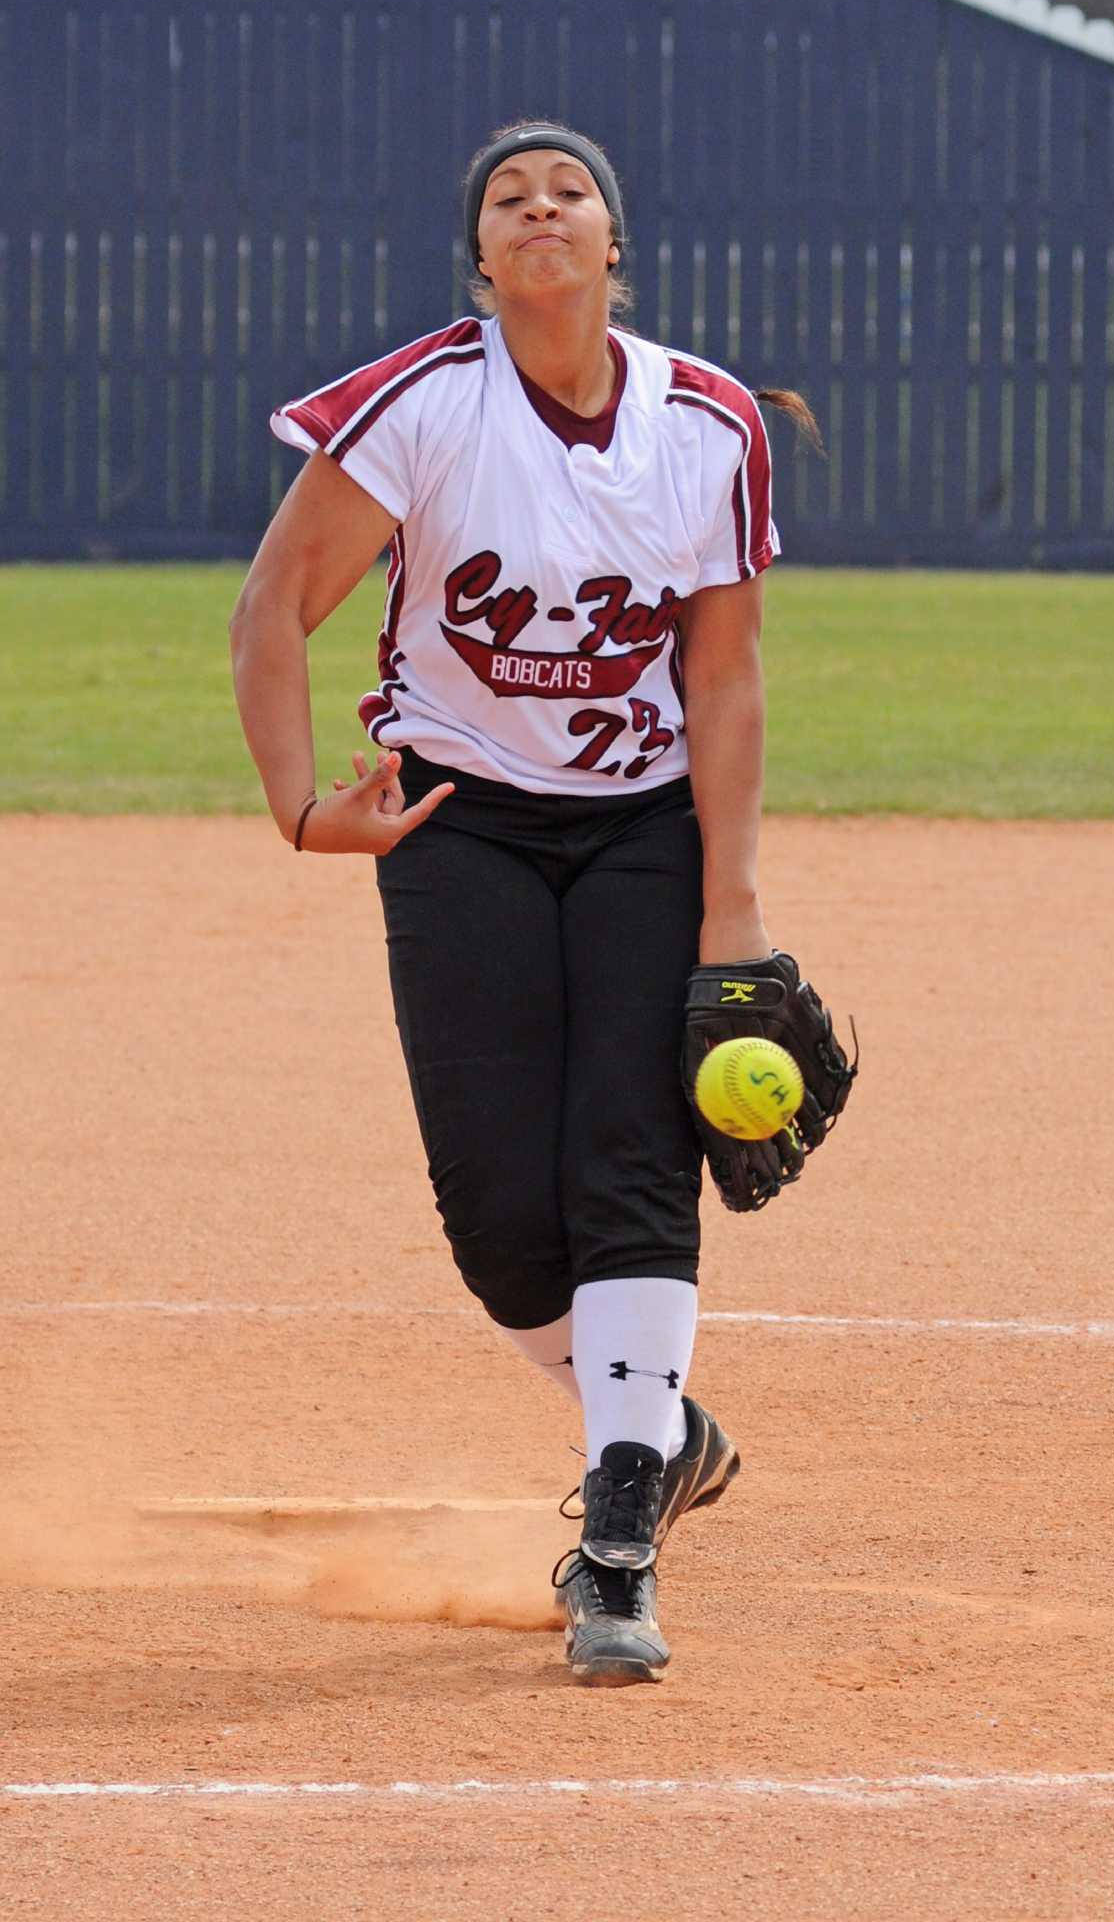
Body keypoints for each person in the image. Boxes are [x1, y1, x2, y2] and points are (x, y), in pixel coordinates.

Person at [230, 120, 841, 1686]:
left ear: (613, 244)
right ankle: (661, 1427)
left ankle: (620, 1536)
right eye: (512, 198)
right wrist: (307, 811)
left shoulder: (706, 425)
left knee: (629, 1169)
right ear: (485, 260)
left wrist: (734, 910)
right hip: (460, 824)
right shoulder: (426, 408)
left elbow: (723, 677)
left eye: (571, 190)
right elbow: (275, 609)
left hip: (642, 828)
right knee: (504, 1225)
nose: (542, 208)